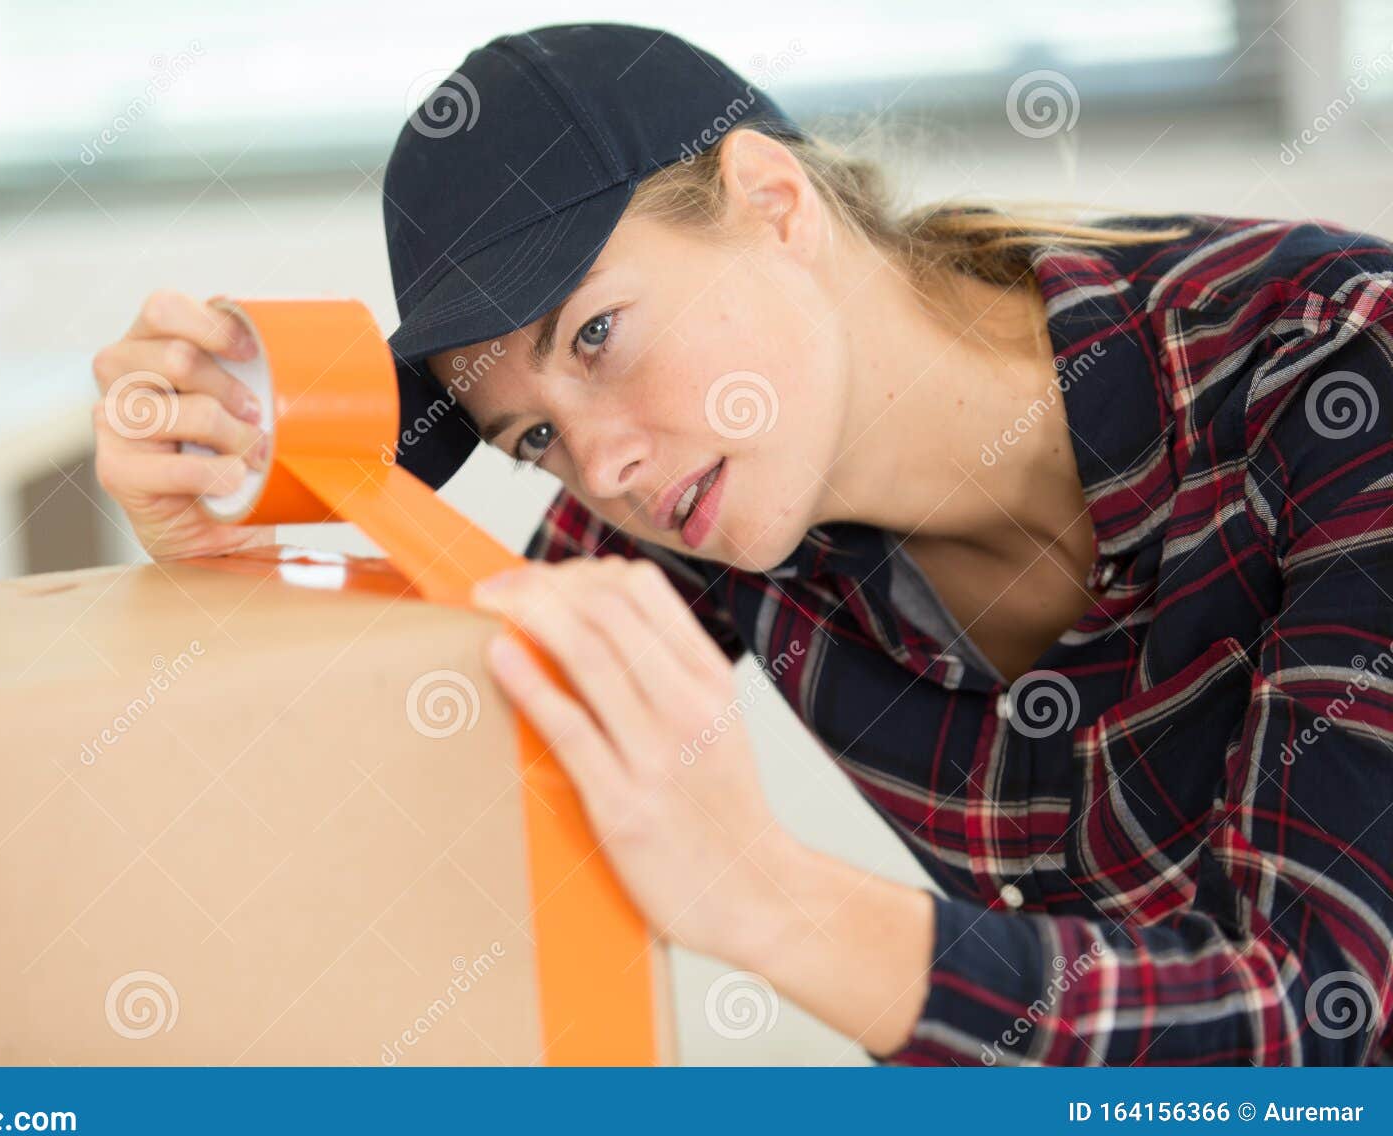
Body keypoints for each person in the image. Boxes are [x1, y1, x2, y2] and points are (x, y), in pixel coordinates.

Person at [89, 23, 1393, 1064]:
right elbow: (438, 785)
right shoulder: (702, 497)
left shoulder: (1341, 365)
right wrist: (230, 560)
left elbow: (1317, 1027)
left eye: (596, 334)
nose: (600, 466)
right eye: (530, 436)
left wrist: (766, 896)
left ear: (773, 201)